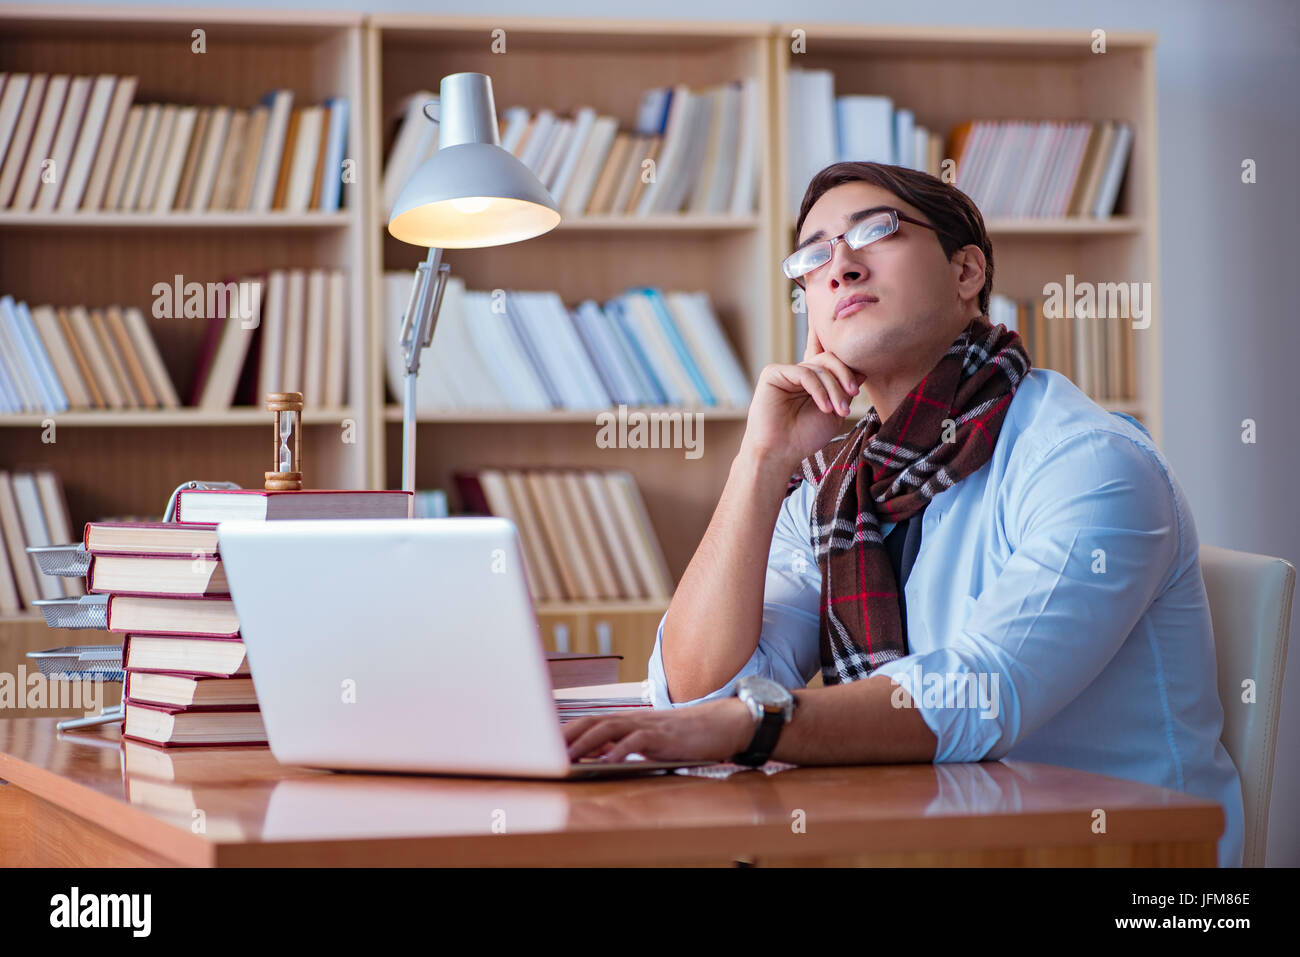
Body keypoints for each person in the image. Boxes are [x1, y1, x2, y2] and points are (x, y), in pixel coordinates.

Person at [563, 161, 1244, 867]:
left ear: (966, 272)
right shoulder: (838, 489)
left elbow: (981, 691)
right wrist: (760, 464)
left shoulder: (1088, 460)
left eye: (875, 231)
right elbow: (693, 691)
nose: (841, 267)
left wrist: (749, 724)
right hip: (925, 842)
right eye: (815, 255)